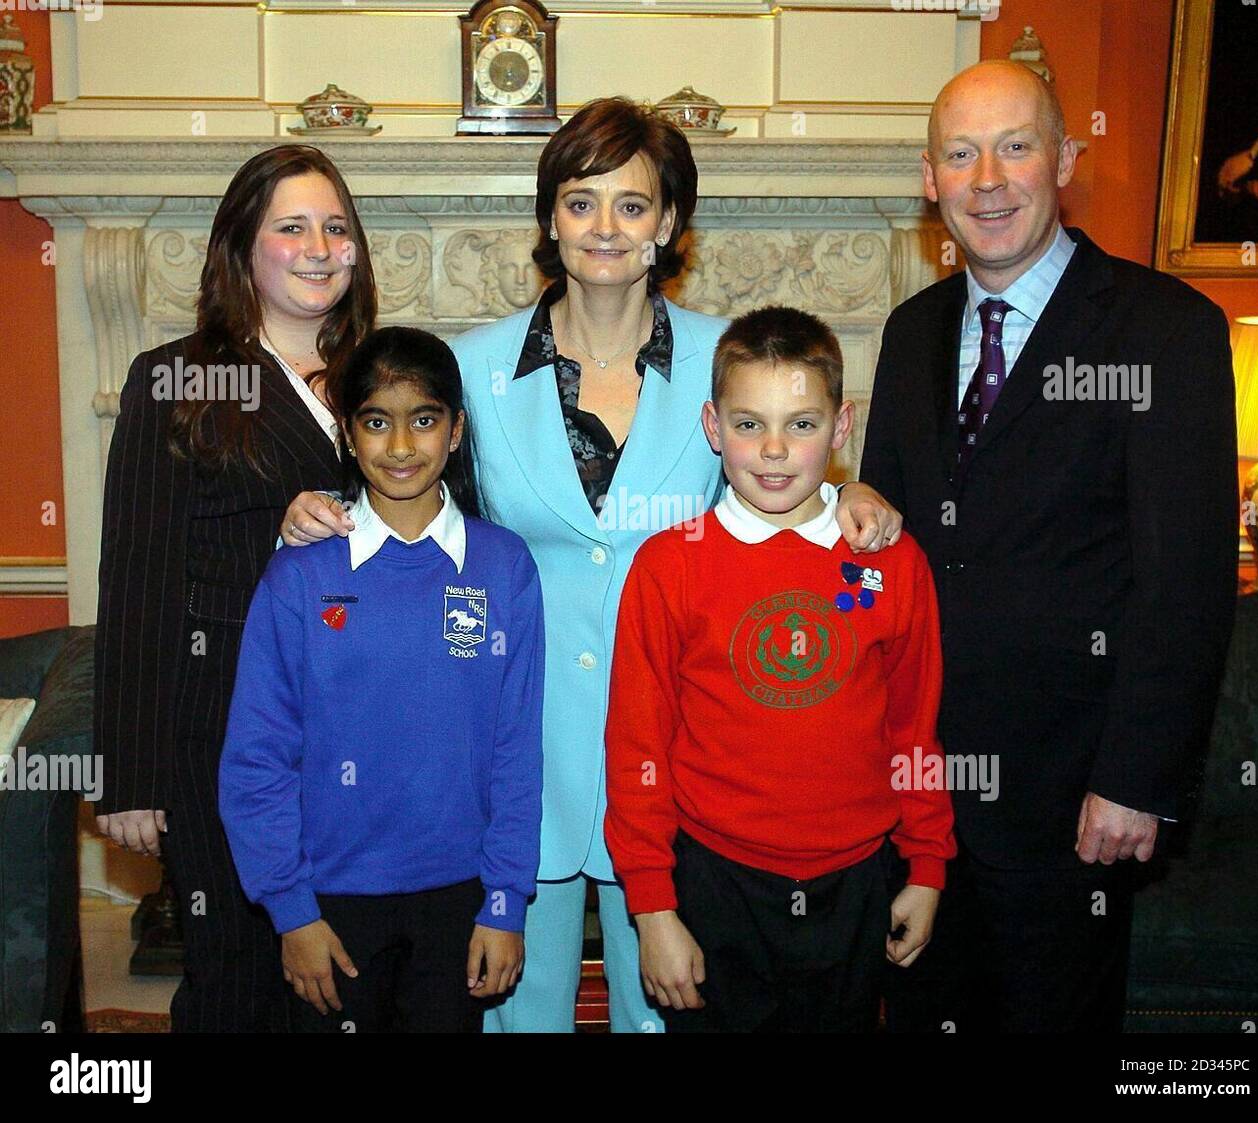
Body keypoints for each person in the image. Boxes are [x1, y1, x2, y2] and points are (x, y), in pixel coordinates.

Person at [279, 97, 901, 1032]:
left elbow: (787, 481)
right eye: (579, 202)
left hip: (687, 755)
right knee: (518, 1015)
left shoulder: (731, 367)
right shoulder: (472, 368)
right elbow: (404, 489)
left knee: (670, 1012)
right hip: (518, 754)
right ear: (549, 218)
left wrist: (854, 494)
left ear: (671, 223)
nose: (604, 228)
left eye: (632, 204)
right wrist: (312, 510)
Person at [844, 60, 1239, 1032]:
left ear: (1063, 158)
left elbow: (1184, 583)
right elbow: (882, 553)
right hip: (919, 803)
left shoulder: (1165, 331)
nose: (988, 179)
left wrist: (1135, 778)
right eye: (961, 153)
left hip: (1074, 807)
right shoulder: (909, 331)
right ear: (929, 179)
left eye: (1015, 146)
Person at [605, 306, 956, 1033]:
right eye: (747, 423)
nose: (772, 449)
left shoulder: (889, 562)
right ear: (711, 427)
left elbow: (914, 729)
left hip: (857, 882)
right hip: (713, 881)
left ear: (842, 426)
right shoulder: (669, 566)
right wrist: (652, 905)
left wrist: (926, 864)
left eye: (800, 424)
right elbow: (637, 747)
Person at [93, 146, 377, 1032]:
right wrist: (129, 775)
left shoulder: (386, 381)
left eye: (335, 227)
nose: (319, 246)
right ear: (242, 250)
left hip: (363, 734)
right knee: (240, 974)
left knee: (343, 976)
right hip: (219, 737)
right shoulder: (176, 380)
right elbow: (137, 579)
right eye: (290, 227)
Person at [217, 327, 544, 1033]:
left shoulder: (504, 567)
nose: (401, 446)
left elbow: (517, 750)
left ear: (456, 431)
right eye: (376, 421)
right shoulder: (299, 576)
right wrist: (291, 907)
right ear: (348, 432)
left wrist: (504, 900)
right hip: (331, 898)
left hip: (460, 897)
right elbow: (256, 758)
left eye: (424, 420)